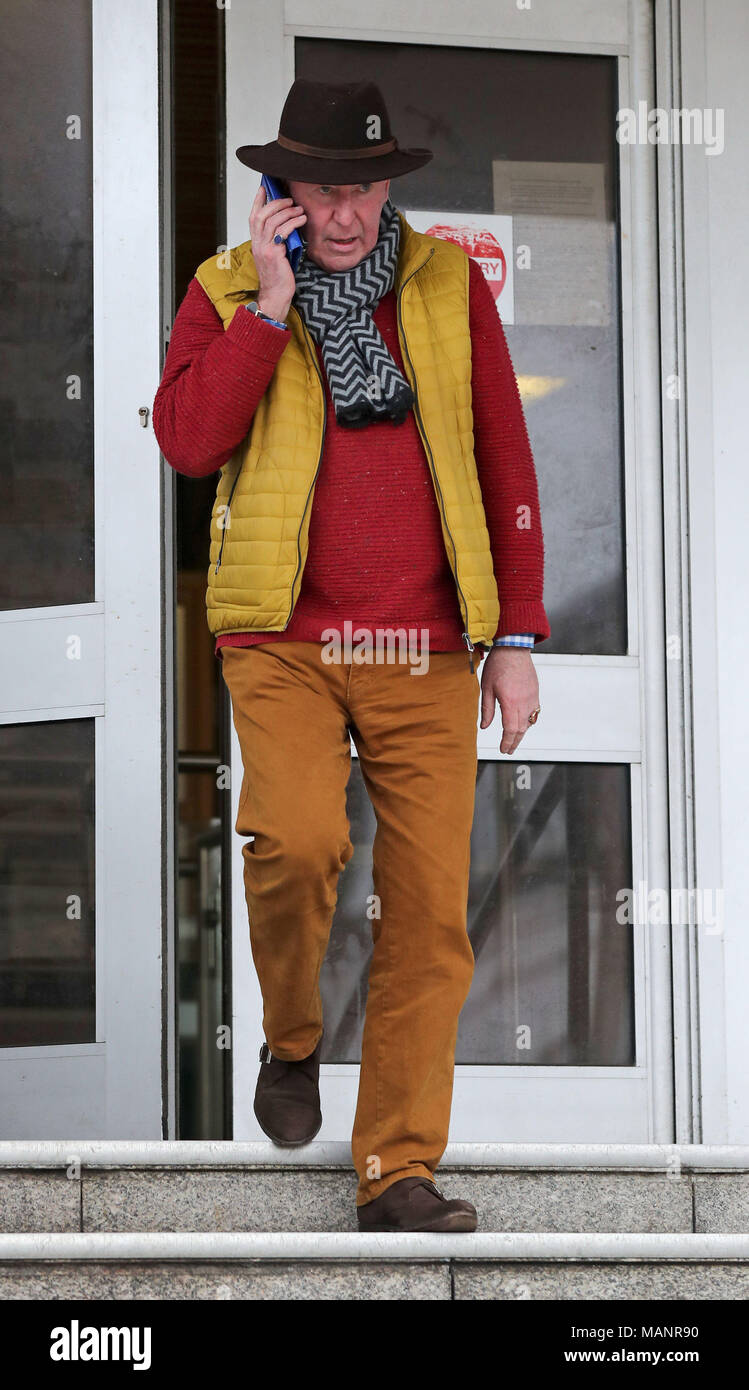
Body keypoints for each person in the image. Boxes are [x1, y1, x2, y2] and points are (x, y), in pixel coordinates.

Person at [153, 77, 550, 1232]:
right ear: (281, 191)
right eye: (324, 191)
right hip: (282, 636)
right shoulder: (227, 289)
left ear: (388, 185)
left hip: (424, 646)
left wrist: (514, 640)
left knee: (428, 914)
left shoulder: (443, 287)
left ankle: (396, 1168)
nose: (346, 215)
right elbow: (187, 441)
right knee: (295, 837)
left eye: (365, 189)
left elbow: (502, 461)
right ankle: (289, 1040)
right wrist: (269, 309)